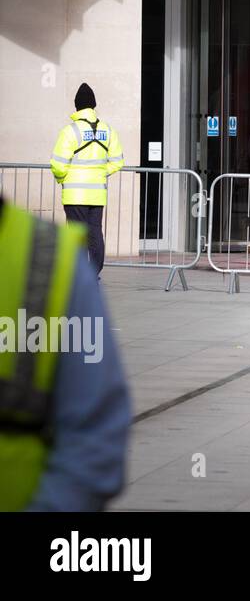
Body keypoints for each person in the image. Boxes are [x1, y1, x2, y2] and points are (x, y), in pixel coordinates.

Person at [0, 197, 132, 511]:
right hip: (95, 192)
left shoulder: (51, 260)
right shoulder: (52, 257)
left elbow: (94, 442)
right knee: (93, 233)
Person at [49, 83, 124, 280]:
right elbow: (118, 162)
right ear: (93, 105)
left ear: (77, 106)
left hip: (75, 193)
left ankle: (79, 274)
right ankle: (93, 272)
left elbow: (58, 164)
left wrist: (62, 177)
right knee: (95, 233)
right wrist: (100, 173)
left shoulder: (70, 131)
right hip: (97, 193)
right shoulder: (108, 130)